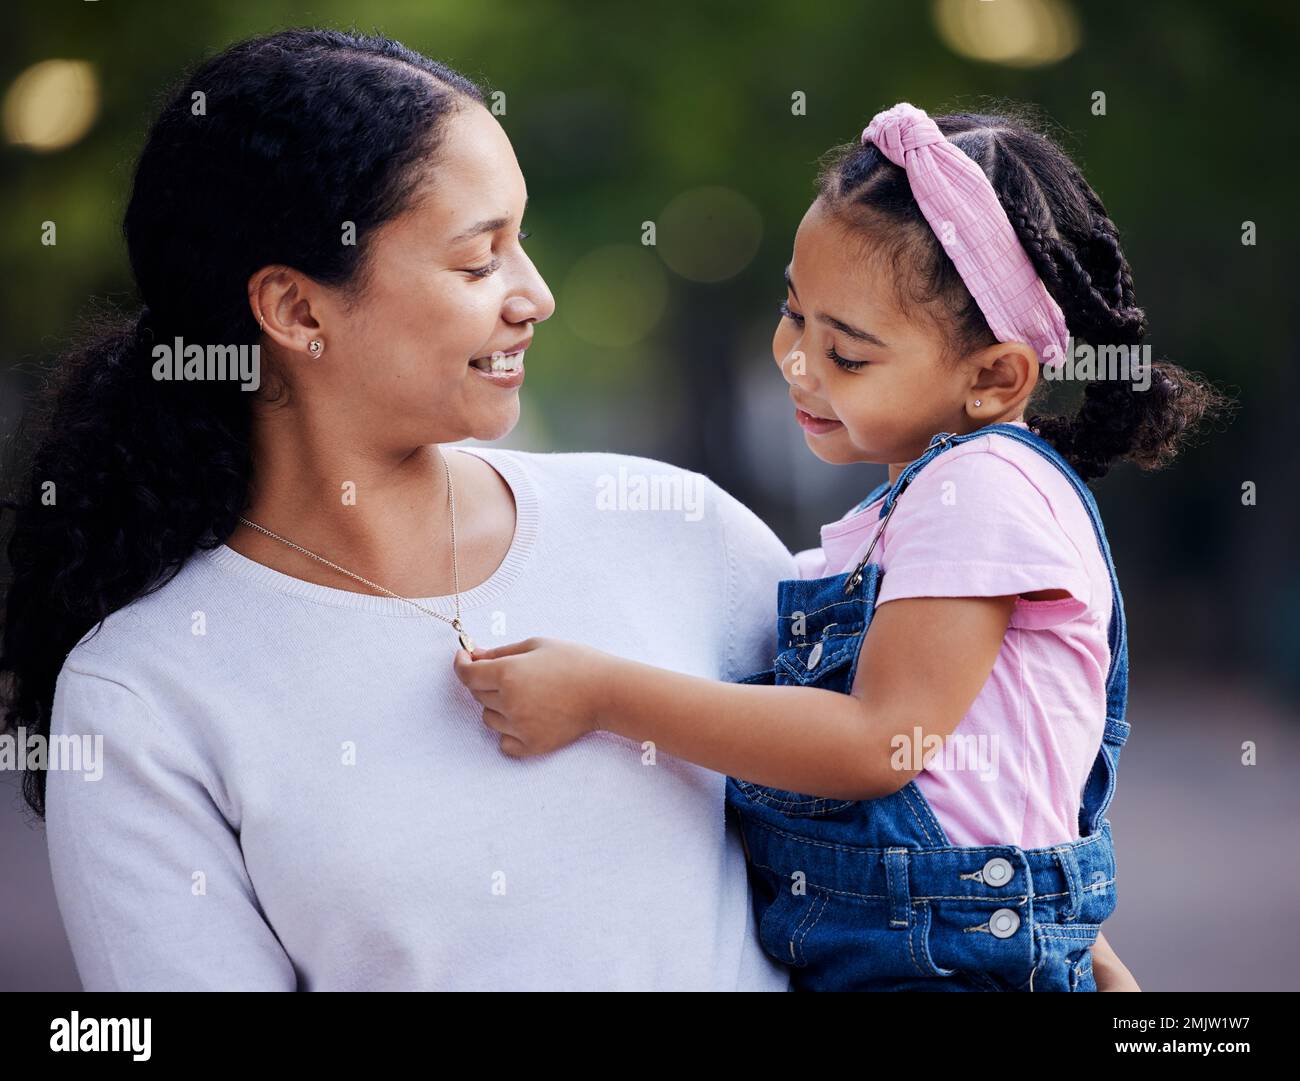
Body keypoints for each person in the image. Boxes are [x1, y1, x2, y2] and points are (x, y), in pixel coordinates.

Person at [0, 28, 796, 991]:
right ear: (295, 311)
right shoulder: (142, 693)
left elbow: (933, 828)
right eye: (477, 262)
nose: (534, 295)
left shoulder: (677, 529)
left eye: (522, 240)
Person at [452, 103, 1227, 990]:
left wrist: (597, 694)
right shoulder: (940, 495)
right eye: (793, 316)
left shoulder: (976, 489)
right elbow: (1005, 777)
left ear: (995, 376)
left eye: (848, 355)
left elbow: (877, 741)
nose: (797, 364)